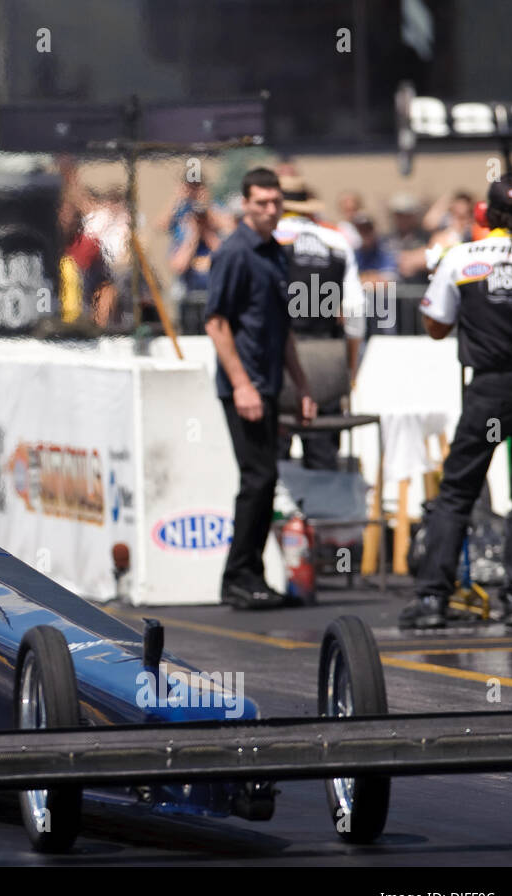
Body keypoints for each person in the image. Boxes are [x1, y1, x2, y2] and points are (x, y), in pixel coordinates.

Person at [399, 174, 512, 629]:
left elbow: (435, 324)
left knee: (457, 492)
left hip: (488, 392)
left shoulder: (460, 258)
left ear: (483, 215)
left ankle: (432, 601)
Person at [205, 167, 317, 609]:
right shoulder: (235, 252)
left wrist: (302, 383)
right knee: (259, 477)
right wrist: (241, 385)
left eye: (276, 202)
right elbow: (216, 324)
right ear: (246, 204)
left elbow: (282, 327)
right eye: (262, 203)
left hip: (268, 381)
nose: (271, 210)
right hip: (244, 384)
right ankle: (238, 576)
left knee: (265, 480)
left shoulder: (275, 252)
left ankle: (251, 575)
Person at [273, 176, 365, 469]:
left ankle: (279, 512)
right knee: (324, 453)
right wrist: (349, 370)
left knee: (274, 454)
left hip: (279, 356)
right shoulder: (336, 240)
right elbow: (354, 312)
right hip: (326, 356)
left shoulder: (267, 238)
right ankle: (325, 512)